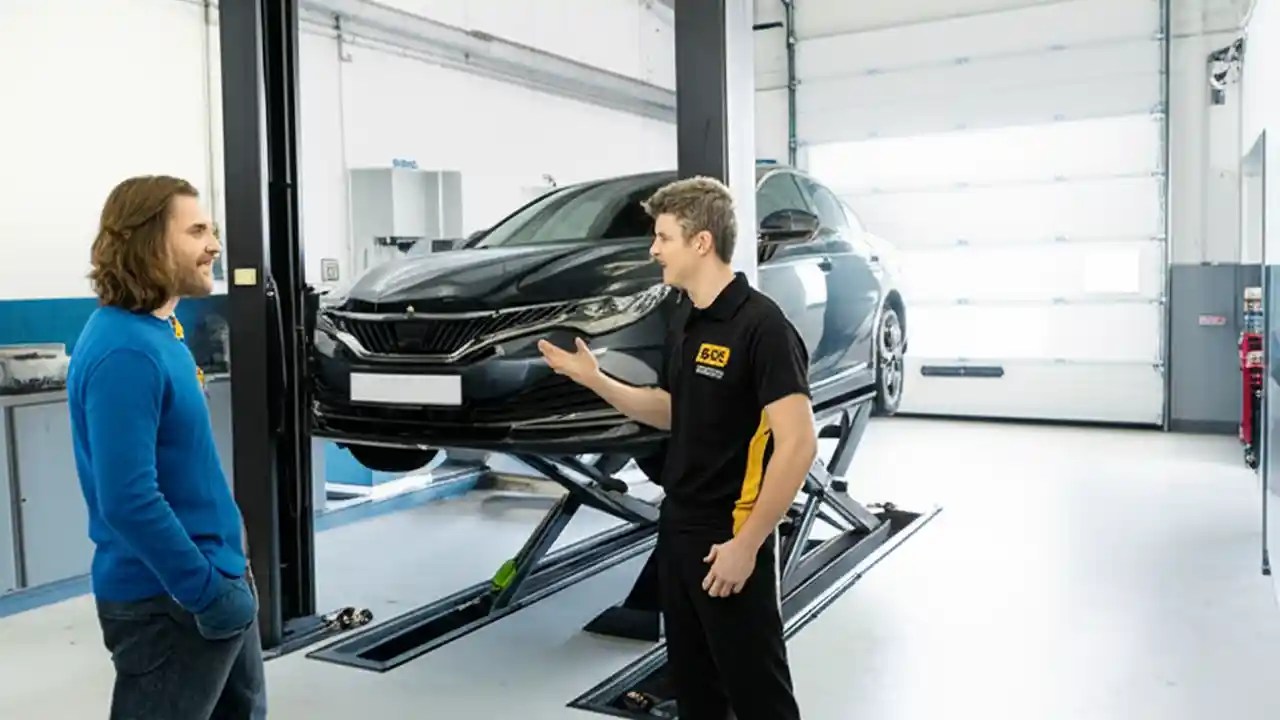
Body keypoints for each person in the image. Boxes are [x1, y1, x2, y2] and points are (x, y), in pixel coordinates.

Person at [538, 176, 816, 720]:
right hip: (679, 527)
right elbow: (671, 409)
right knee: (695, 691)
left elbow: (799, 443)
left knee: (759, 696)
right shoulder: (685, 322)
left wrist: (748, 543)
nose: (654, 249)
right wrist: (595, 380)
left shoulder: (762, 327)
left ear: (701, 242)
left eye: (663, 237)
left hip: (730, 535)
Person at [67, 175, 266, 719]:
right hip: (170, 602)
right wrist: (204, 592)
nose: (215, 246)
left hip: (215, 578)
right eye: (197, 230)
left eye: (213, 230)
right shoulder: (125, 353)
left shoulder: (162, 331)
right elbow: (128, 499)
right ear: (149, 241)